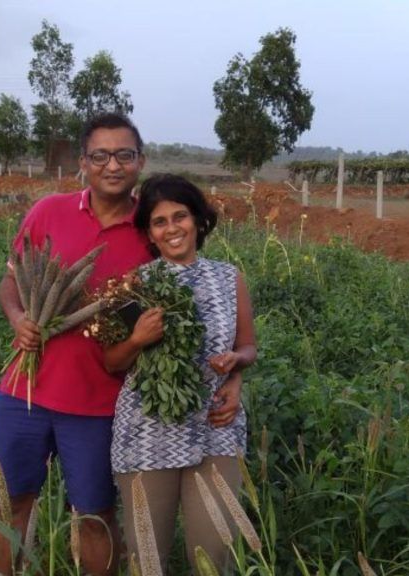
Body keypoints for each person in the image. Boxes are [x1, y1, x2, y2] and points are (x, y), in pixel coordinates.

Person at [0, 112, 153, 575]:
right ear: (82, 162)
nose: (113, 165)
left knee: (95, 515)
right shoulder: (48, 212)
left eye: (124, 154)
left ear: (141, 161)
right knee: (10, 503)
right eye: (100, 155)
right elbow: (10, 281)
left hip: (101, 402)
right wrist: (19, 317)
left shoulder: (151, 230)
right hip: (23, 393)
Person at [105, 174, 257, 574]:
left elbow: (248, 346)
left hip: (215, 426)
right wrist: (137, 339)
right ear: (149, 234)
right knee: (146, 558)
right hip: (147, 432)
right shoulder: (134, 286)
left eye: (180, 216)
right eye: (159, 221)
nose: (172, 228)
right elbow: (112, 363)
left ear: (199, 221)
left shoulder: (229, 278)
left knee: (213, 554)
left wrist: (235, 365)